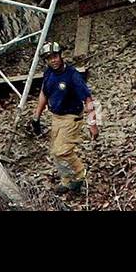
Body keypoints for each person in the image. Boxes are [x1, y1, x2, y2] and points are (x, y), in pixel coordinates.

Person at [32, 41, 98, 196]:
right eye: (49, 58)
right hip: (56, 116)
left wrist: (93, 124)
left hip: (71, 117)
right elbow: (44, 93)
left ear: (60, 56)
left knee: (63, 151)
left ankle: (80, 174)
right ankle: (66, 180)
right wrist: (36, 116)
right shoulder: (49, 73)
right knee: (55, 152)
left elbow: (88, 99)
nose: (53, 60)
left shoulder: (72, 75)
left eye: (55, 56)